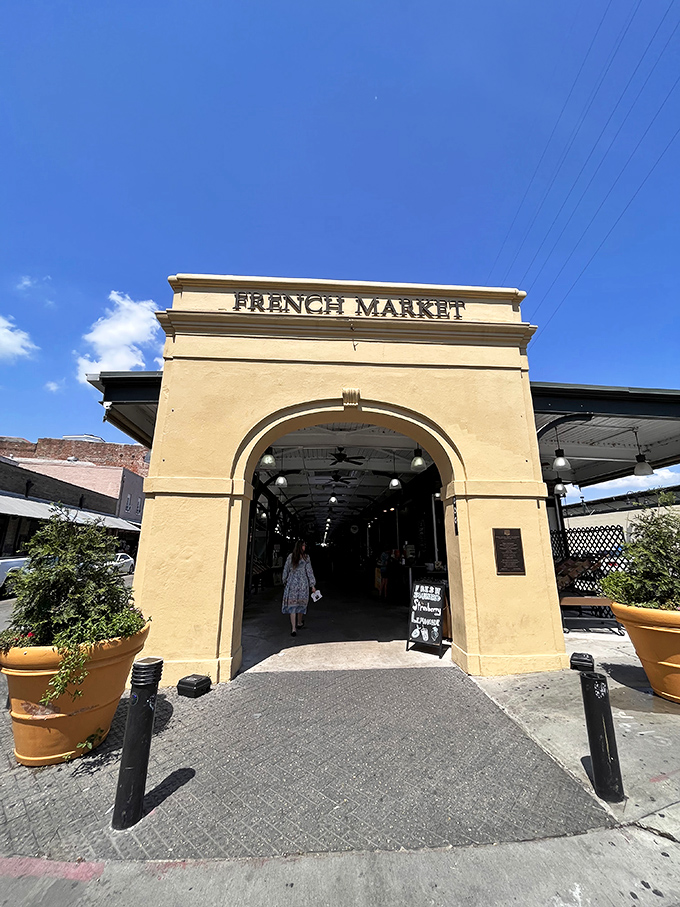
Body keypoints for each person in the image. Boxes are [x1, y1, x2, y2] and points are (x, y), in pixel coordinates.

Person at [282, 539, 316, 636]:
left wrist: (284, 580)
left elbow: (286, 569)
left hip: (292, 583)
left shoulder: (290, 557)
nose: (305, 547)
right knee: (301, 604)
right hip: (302, 584)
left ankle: (293, 629)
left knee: (292, 605)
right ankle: (299, 623)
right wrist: (312, 585)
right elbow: (309, 572)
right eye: (304, 546)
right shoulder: (306, 558)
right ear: (300, 547)